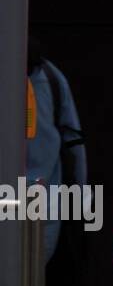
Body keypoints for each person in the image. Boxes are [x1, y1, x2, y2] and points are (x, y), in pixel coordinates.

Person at [25, 35, 86, 267]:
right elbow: (74, 141)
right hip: (44, 202)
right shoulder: (51, 78)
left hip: (39, 202)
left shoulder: (50, 79)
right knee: (28, 280)